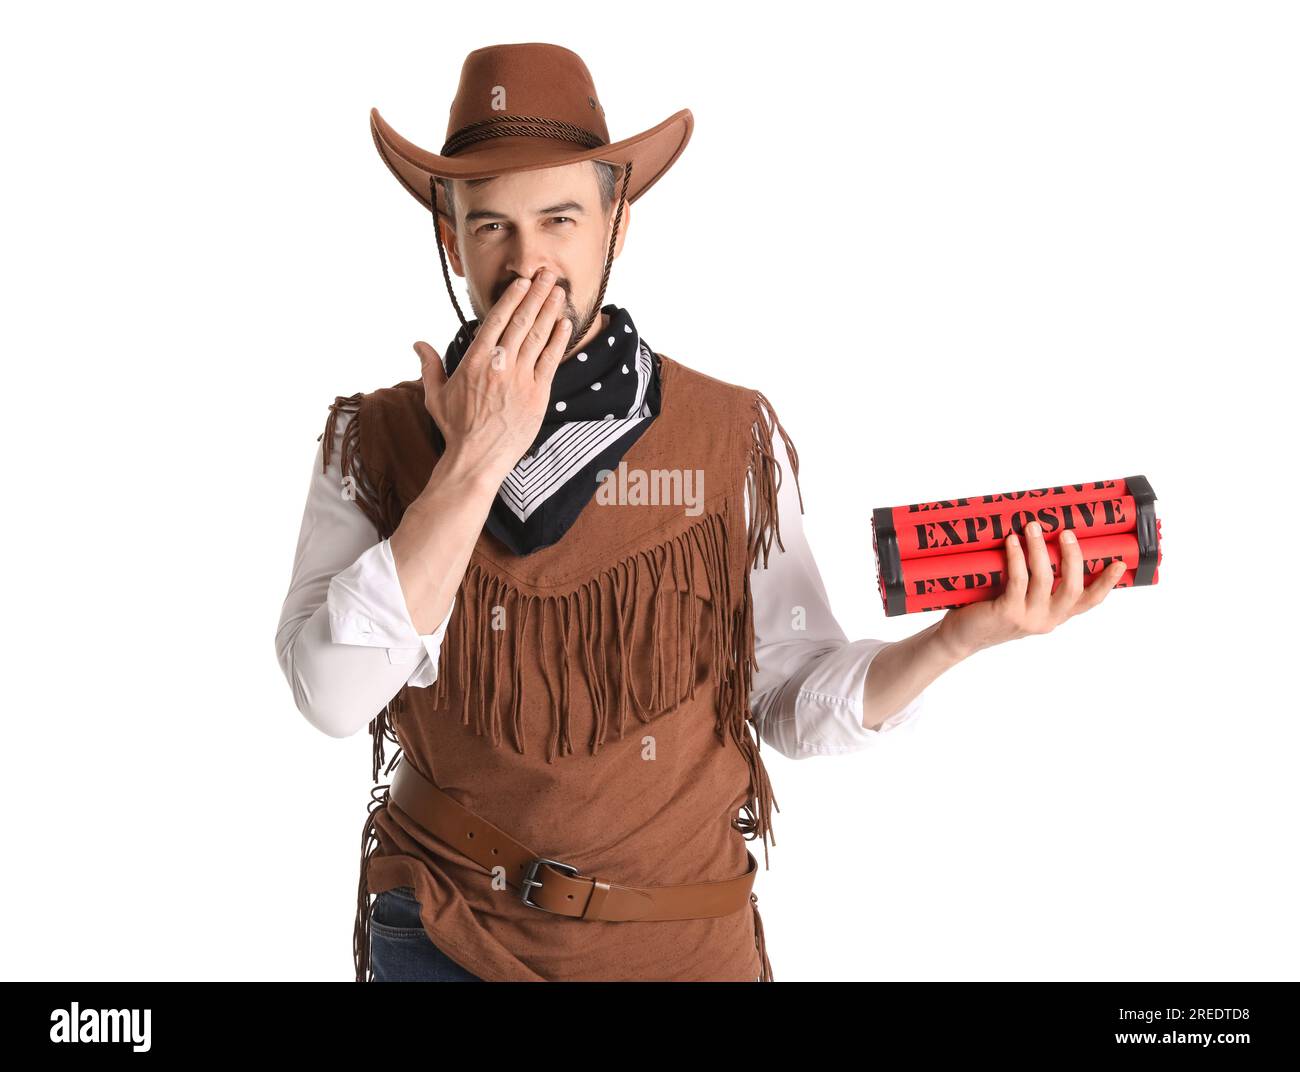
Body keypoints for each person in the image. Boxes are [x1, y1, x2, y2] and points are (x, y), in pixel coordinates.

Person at [274, 42, 1127, 984]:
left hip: (682, 947)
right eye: (490, 229)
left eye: (559, 218)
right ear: (451, 241)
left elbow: (790, 700)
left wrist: (956, 639)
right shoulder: (374, 436)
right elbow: (332, 696)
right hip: (446, 938)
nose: (525, 265)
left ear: (616, 226)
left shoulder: (731, 435)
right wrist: (474, 459)